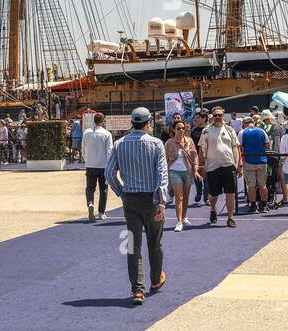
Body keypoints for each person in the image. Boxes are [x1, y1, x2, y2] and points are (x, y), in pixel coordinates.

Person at [104, 107, 168, 305]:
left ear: (132, 123)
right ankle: (156, 280)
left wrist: (121, 192)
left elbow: (109, 173)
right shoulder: (156, 144)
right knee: (155, 242)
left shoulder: (119, 144)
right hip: (151, 198)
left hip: (130, 199)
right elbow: (162, 175)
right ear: (148, 123)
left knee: (132, 244)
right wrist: (161, 201)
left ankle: (137, 290)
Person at [198, 106, 241, 228]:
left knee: (230, 192)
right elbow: (201, 149)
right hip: (212, 167)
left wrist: (239, 165)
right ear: (212, 116)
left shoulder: (230, 130)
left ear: (223, 115)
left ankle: (230, 217)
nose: (217, 117)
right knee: (214, 194)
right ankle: (213, 209)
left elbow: (237, 147)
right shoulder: (206, 131)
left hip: (229, 165)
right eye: (215, 115)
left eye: (220, 115)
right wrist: (201, 167)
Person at [165, 121, 200, 230]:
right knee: (179, 197)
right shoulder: (169, 143)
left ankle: (184, 217)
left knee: (185, 197)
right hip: (174, 172)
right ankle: (179, 222)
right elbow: (164, 159)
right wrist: (164, 173)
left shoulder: (189, 141)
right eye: (178, 128)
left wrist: (196, 170)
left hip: (188, 171)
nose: (181, 130)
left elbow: (194, 156)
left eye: (183, 128)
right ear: (173, 130)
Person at [81, 113, 114, 223]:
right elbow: (109, 151)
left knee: (90, 187)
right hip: (103, 165)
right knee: (103, 189)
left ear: (93, 121)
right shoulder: (106, 134)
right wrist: (110, 165)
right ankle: (101, 212)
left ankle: (90, 203)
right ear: (103, 121)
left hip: (90, 165)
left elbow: (83, 149)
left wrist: (87, 160)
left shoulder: (86, 133)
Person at [240, 116, 270, 213]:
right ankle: (264, 205)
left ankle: (253, 207)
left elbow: (240, 147)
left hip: (249, 161)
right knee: (262, 185)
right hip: (262, 160)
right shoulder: (262, 131)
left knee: (251, 186)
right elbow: (267, 145)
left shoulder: (242, 132)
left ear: (244, 124)